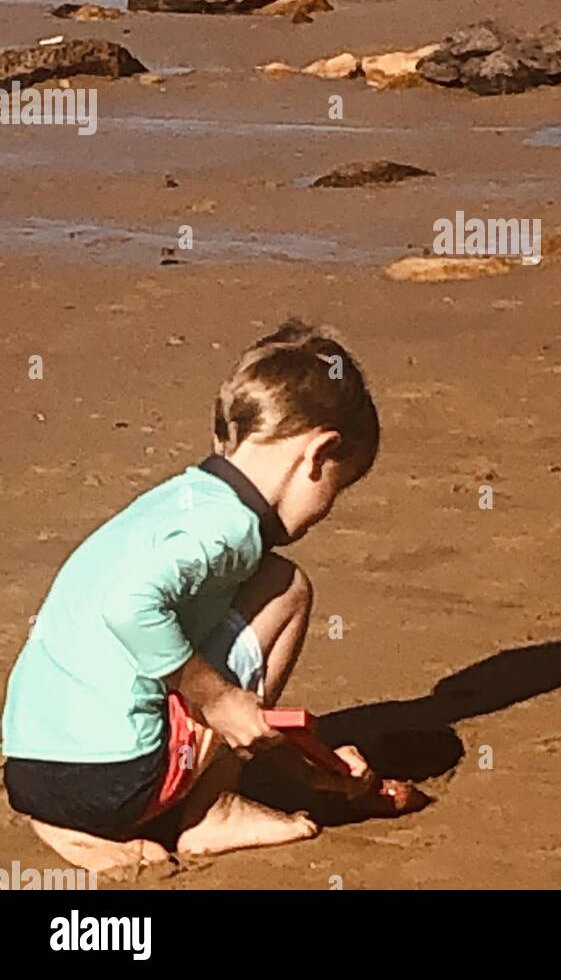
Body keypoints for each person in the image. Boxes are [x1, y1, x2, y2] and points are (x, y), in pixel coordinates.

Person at [1, 319, 380, 873]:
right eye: (336, 490)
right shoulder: (225, 530)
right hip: (117, 779)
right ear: (319, 456)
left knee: (215, 604)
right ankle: (211, 810)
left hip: (31, 769)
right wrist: (221, 699)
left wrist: (302, 762)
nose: (326, 511)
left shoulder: (179, 501)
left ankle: (68, 826)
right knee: (286, 588)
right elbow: (129, 606)